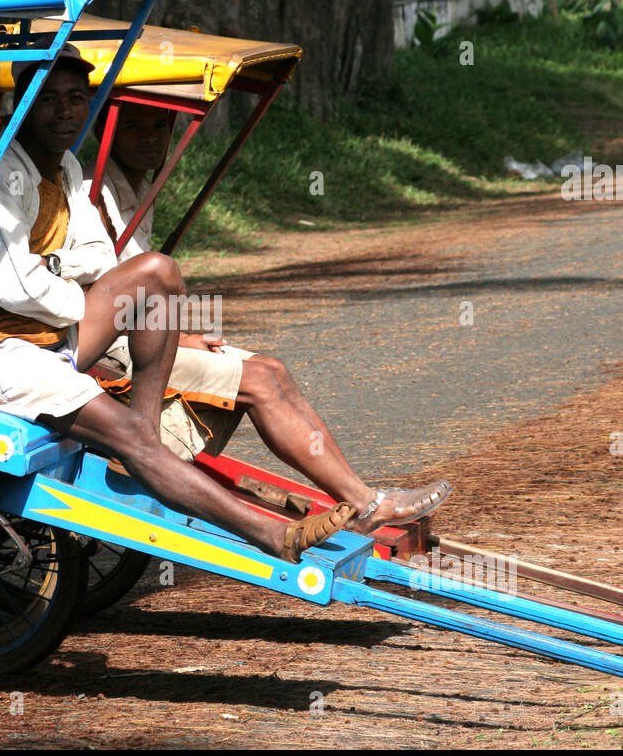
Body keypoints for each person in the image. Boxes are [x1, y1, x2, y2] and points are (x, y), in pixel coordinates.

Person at [0, 44, 371, 562]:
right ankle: (270, 533)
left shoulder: (65, 167)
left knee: (157, 272)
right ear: (21, 105)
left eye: (75, 98)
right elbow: (14, 287)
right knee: (133, 426)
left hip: (49, 334)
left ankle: (146, 428)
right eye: (48, 99)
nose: (65, 111)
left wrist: (55, 271)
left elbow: (96, 258)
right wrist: (71, 296)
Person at [83, 101, 452, 530]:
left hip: (142, 339)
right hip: (112, 354)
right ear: (105, 133)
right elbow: (99, 297)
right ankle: (367, 504)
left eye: (158, 126)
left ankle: (358, 497)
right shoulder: (97, 197)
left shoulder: (132, 190)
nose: (150, 137)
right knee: (257, 382)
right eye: (134, 127)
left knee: (271, 368)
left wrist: (178, 336)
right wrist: (178, 341)